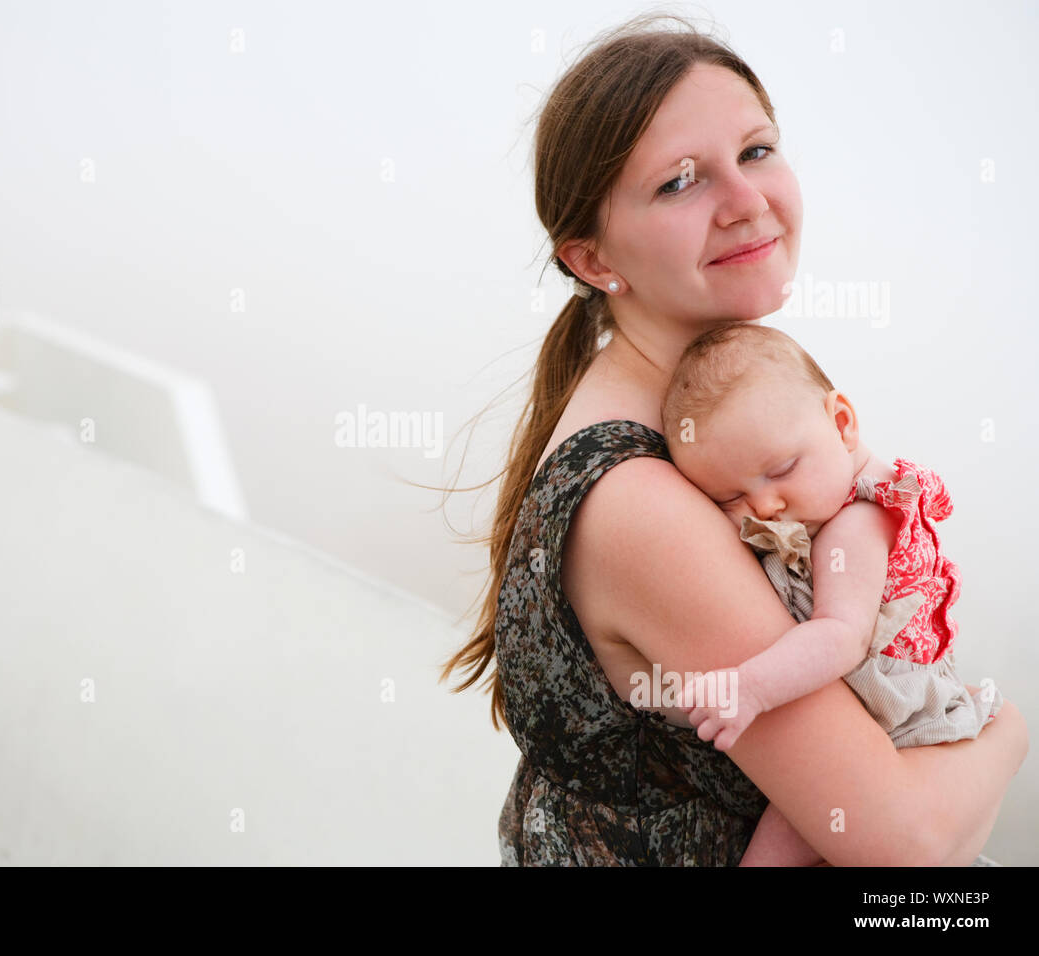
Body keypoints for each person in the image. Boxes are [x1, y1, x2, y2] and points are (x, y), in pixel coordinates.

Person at [438, 13, 1028, 866]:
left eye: (756, 151)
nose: (748, 203)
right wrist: (1007, 731)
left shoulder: (700, 420)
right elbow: (907, 851)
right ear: (594, 260)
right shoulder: (641, 502)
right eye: (680, 181)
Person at [655, 322, 1003, 866]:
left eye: (781, 470)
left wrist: (751, 688)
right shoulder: (816, 504)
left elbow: (840, 636)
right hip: (881, 727)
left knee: (790, 830)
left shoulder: (855, 523)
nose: (766, 507)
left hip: (905, 726)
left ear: (841, 424)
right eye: (730, 497)